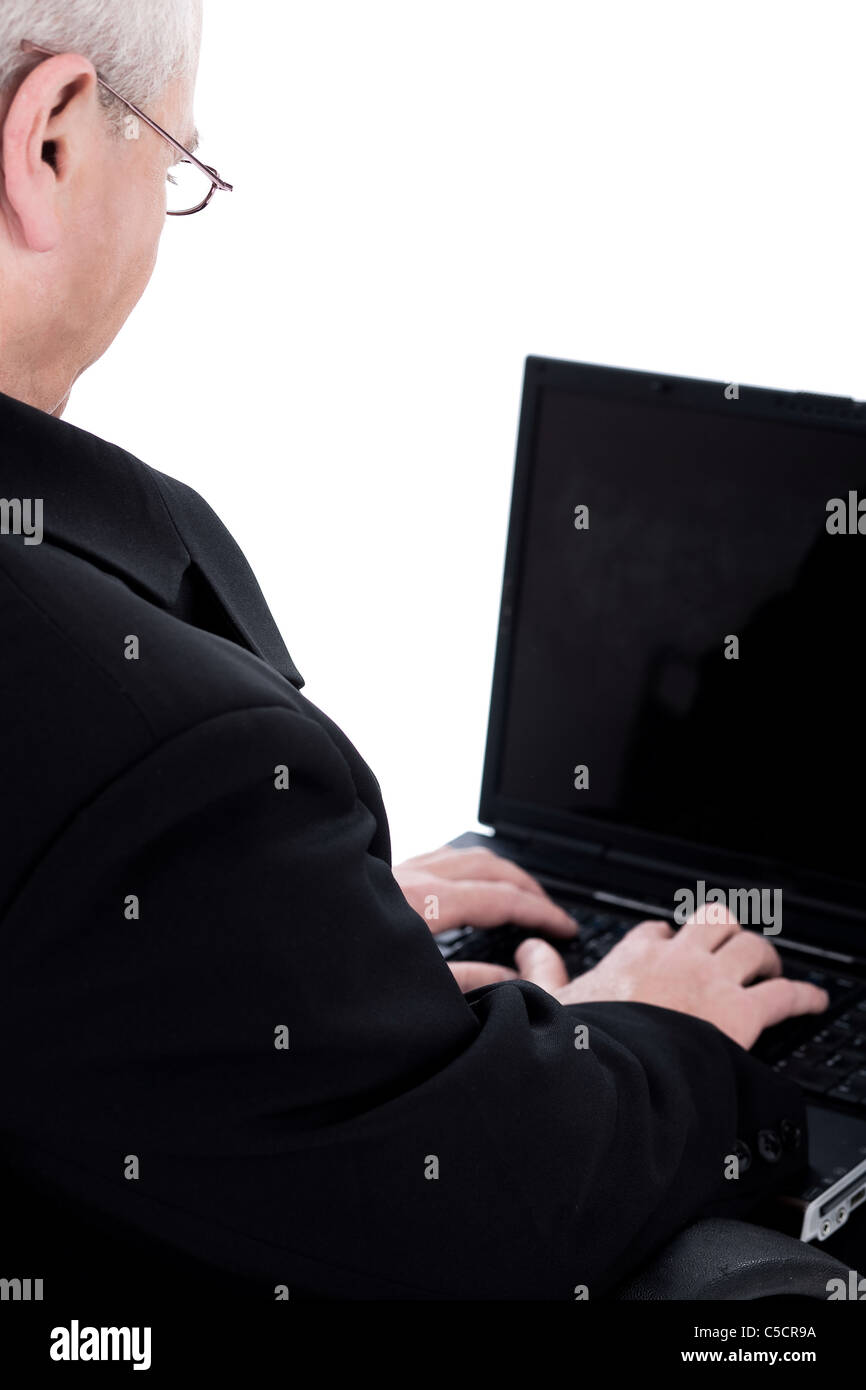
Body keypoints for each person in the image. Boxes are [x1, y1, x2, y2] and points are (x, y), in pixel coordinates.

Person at [0, 0, 827, 1301]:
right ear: (47, 139)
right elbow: (481, 1212)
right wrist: (653, 1034)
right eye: (173, 160)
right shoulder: (154, 743)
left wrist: (286, 938)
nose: (165, 205)